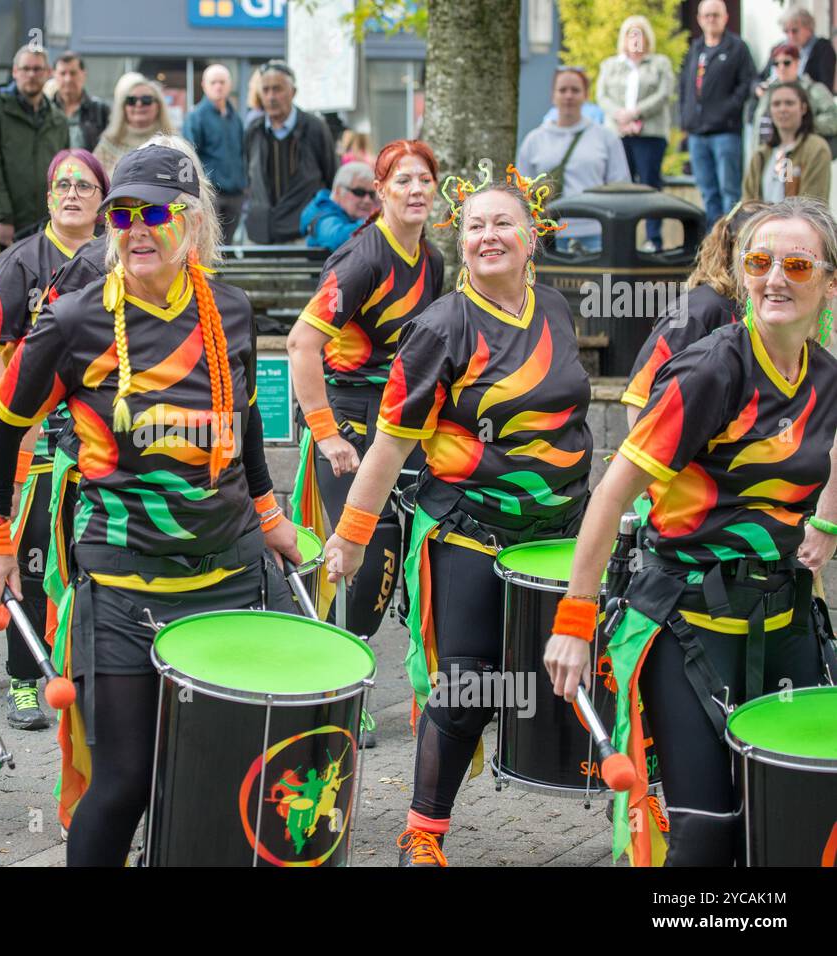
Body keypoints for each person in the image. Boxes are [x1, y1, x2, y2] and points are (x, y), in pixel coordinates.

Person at [0, 141, 301, 866]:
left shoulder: (232, 311)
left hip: (229, 577)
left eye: (157, 212)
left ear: (193, 223)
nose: (138, 227)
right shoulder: (74, 319)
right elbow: (3, 422)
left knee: (222, 770)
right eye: (123, 212)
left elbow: (242, 419)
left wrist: (272, 516)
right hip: (123, 585)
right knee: (123, 781)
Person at [545, 197, 837, 867]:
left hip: (784, 617)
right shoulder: (713, 370)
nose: (775, 279)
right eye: (759, 262)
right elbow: (612, 491)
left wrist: (827, 520)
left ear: (828, 282)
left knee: (793, 814)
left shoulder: (825, 376)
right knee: (709, 831)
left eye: (797, 264)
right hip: (687, 620)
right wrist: (571, 620)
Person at [323, 164, 593, 866]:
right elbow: (391, 443)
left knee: (570, 675)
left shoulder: (557, 309)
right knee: (467, 683)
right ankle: (423, 834)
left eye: (503, 223)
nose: (488, 236)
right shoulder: (440, 327)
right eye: (475, 226)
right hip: (471, 534)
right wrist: (351, 536)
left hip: (560, 538)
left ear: (533, 239)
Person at [288, 140, 443, 749]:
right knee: (365, 560)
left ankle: (349, 681)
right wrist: (326, 434)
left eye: (423, 180)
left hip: (403, 426)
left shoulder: (430, 257)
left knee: (398, 565)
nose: (414, 190)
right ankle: (334, 690)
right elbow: (301, 344)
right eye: (401, 180)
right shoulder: (360, 259)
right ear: (380, 191)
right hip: (351, 425)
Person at [0, 147, 109, 727]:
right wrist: (14, 415)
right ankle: (25, 677)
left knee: (81, 556)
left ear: (104, 200)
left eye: (85, 185)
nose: (72, 193)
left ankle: (76, 664)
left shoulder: (121, 256)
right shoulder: (19, 262)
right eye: (62, 185)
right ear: (48, 197)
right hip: (35, 443)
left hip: (97, 444)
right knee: (28, 554)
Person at [624, 200, 766, 428]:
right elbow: (640, 397)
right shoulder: (698, 309)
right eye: (755, 252)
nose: (765, 263)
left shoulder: (761, 309)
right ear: (731, 247)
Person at [517, 67, 631, 254]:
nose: (568, 95)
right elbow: (521, 192)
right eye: (562, 90)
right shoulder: (534, 140)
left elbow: (620, 185)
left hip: (596, 234)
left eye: (575, 90)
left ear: (585, 95)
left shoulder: (606, 138)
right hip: (547, 237)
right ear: (553, 95)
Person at [0, 45, 69, 250]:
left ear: (48, 74)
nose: (31, 75)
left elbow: (64, 172)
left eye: (37, 69)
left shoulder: (58, 119)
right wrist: (3, 216)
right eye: (25, 69)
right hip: (6, 225)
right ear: (15, 72)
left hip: (47, 224)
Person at [596, 17, 676, 251]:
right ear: (624, 38)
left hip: (650, 134)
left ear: (647, 37)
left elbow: (663, 94)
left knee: (649, 185)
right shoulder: (610, 65)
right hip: (619, 134)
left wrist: (636, 113)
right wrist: (621, 116)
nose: (635, 39)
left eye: (639, 34)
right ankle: (622, 241)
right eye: (631, 34)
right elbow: (602, 96)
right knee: (621, 187)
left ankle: (653, 239)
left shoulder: (659, 63)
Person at [679, 0, 756, 226]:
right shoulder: (695, 48)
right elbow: (684, 86)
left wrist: (726, 110)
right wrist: (685, 118)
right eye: (706, 15)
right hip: (697, 134)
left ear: (725, 18)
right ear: (699, 19)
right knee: (707, 192)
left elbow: (746, 84)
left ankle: (731, 239)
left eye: (715, 15)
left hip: (725, 132)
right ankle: (714, 241)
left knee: (729, 191)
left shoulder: (737, 48)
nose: (711, 19)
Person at [244, 60, 336, 245]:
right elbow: (249, 177)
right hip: (262, 234)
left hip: (301, 234)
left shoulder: (315, 128)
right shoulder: (254, 130)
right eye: (266, 90)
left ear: (293, 92)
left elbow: (331, 177)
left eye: (277, 89)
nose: (271, 96)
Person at [183, 64, 246, 243]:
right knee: (209, 245)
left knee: (229, 249)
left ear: (229, 85)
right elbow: (189, 157)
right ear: (204, 85)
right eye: (213, 82)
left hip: (235, 194)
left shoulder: (235, 118)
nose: (218, 86)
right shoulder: (196, 117)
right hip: (211, 194)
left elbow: (242, 153)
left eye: (222, 82)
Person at [742, 82, 832, 203]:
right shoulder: (760, 154)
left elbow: (812, 206)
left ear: (803, 108)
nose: (782, 109)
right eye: (776, 104)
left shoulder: (816, 148)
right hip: (763, 221)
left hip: (800, 221)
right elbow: (748, 203)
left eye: (789, 103)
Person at [752, 44, 837, 145]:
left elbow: (833, 118)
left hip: (802, 151)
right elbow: (760, 126)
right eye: (776, 64)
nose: (781, 67)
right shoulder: (769, 92)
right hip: (770, 152)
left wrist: (805, 124)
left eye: (786, 62)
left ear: (797, 63)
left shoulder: (813, 89)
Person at [93, 73, 175, 177]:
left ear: (159, 106)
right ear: (123, 107)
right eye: (131, 100)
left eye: (146, 100)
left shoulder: (172, 143)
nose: (138, 104)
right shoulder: (108, 144)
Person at [298, 161, 379, 250]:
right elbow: (336, 239)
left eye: (371, 194)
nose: (367, 200)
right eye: (359, 192)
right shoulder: (323, 213)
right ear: (338, 191)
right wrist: (377, 224)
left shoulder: (349, 215)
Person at [759, 5, 836, 93]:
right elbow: (759, 78)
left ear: (809, 28)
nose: (790, 35)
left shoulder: (822, 48)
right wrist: (758, 89)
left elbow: (825, 88)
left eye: (794, 31)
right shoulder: (779, 48)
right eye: (786, 31)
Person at [51, 52, 110, 153]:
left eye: (73, 73)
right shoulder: (46, 109)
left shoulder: (100, 110)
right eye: (62, 73)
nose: (68, 79)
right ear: (54, 75)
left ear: (84, 74)